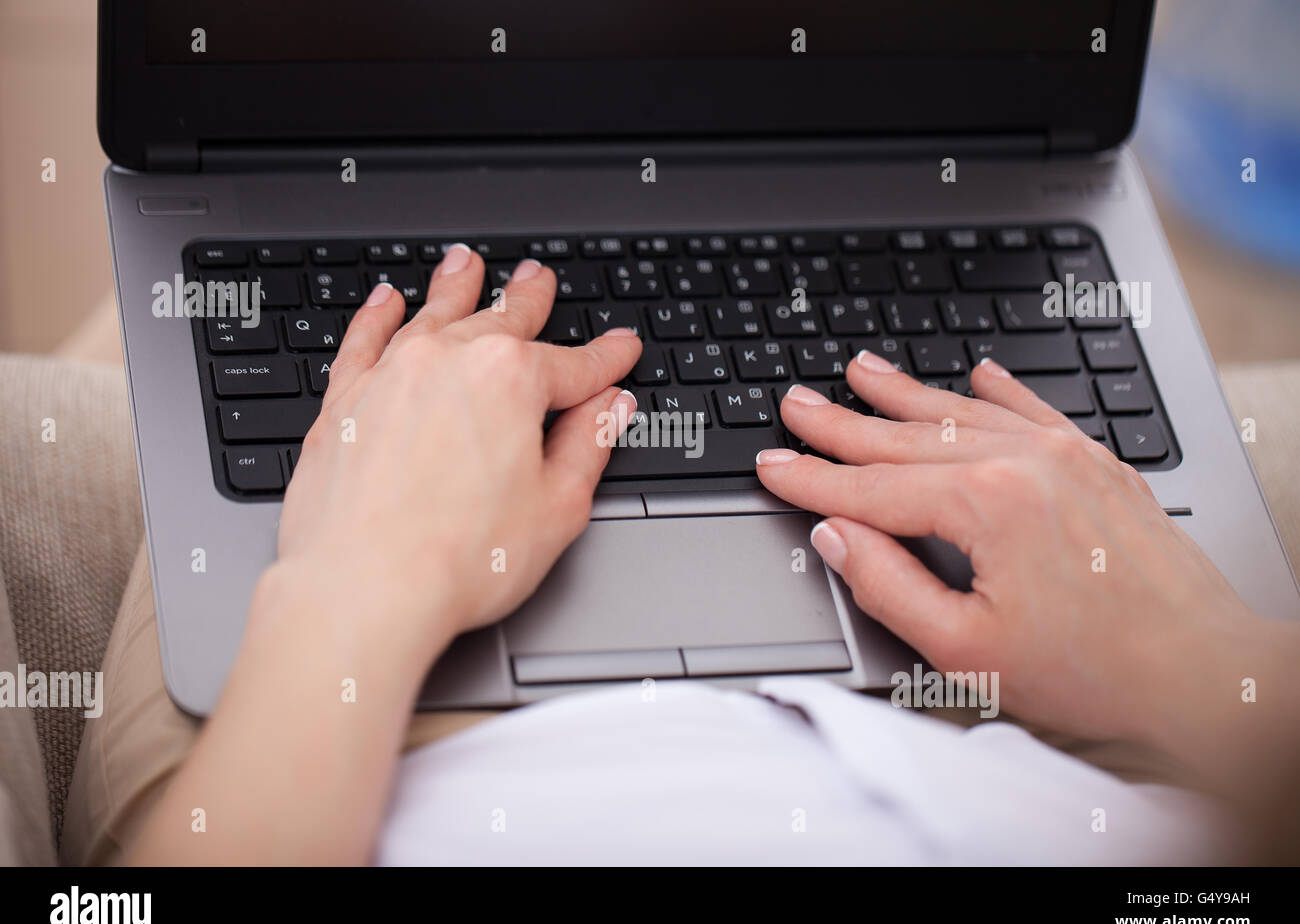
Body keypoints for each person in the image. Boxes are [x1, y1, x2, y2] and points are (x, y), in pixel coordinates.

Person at [60, 246, 1300, 865]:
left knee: (153, 330)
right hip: (1104, 745)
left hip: (356, 737)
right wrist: (1205, 662)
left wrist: (362, 574)